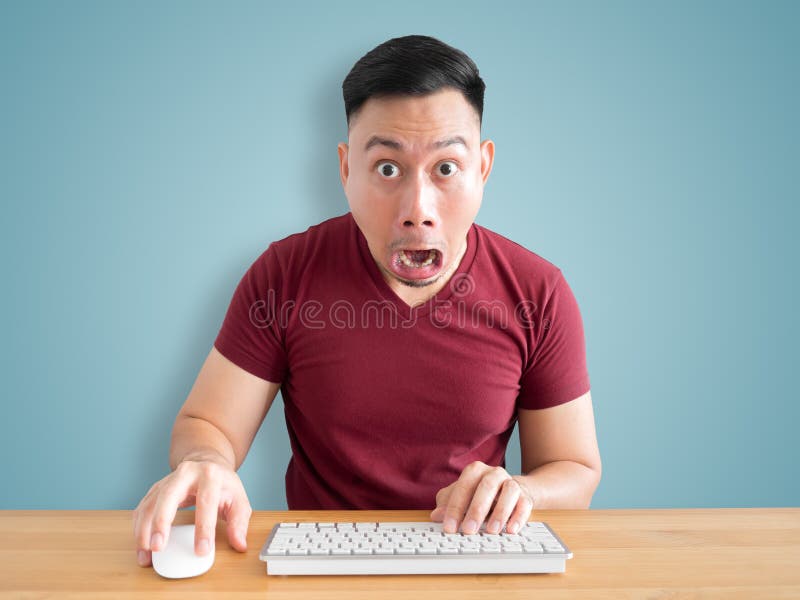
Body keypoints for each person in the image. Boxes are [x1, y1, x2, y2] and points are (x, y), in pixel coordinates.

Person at [133, 34, 601, 567]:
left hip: (474, 558)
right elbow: (209, 425)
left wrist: (527, 493)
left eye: (446, 168)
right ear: (345, 169)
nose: (417, 209)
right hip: (318, 565)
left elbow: (574, 469)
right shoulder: (284, 275)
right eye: (386, 168)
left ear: (483, 169)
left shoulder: (538, 291)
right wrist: (205, 461)